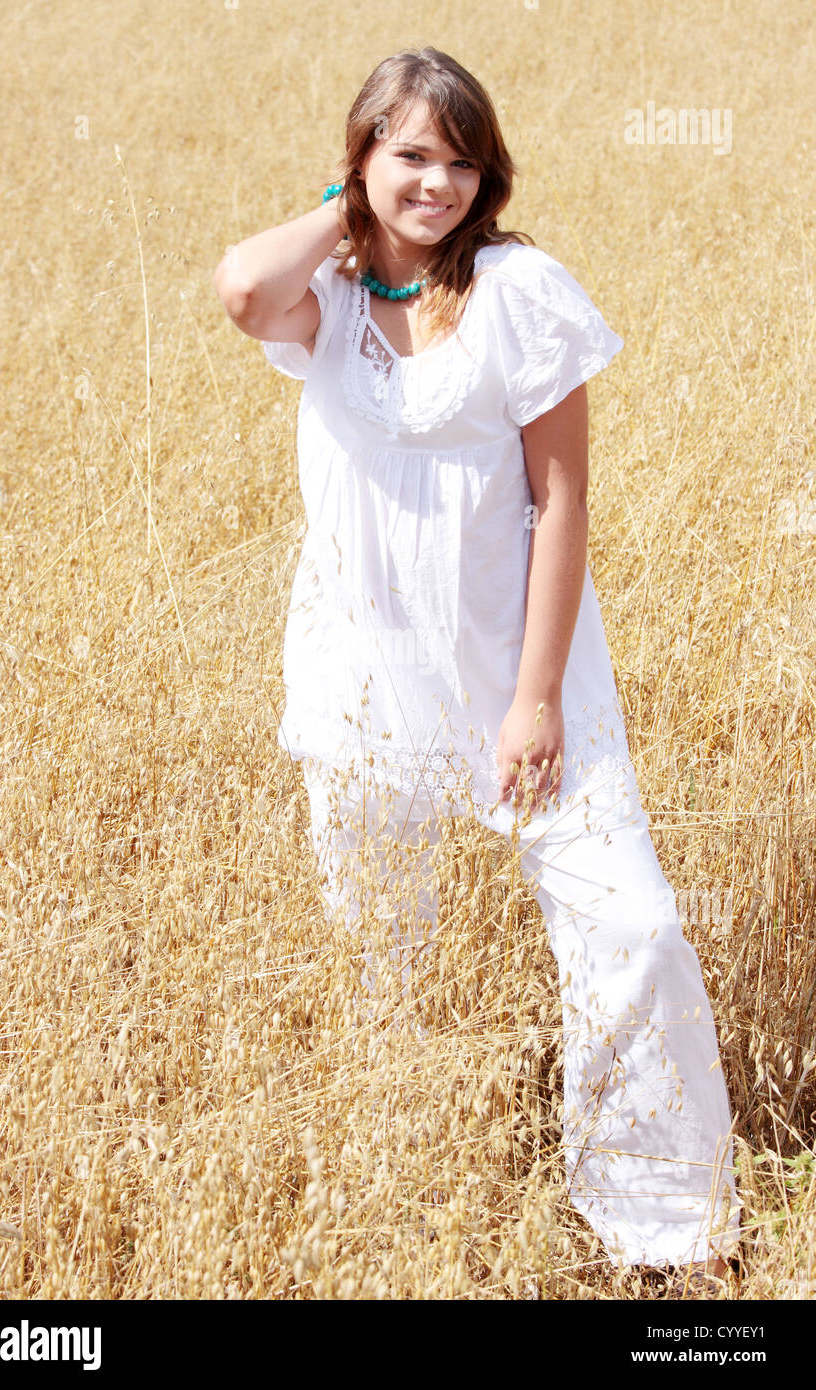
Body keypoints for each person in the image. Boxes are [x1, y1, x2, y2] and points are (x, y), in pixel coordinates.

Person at [214, 46, 742, 1289]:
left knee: (632, 925)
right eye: (407, 154)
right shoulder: (330, 304)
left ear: (486, 171)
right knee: (375, 946)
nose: (436, 182)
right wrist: (348, 217)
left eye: (458, 159)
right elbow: (241, 290)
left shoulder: (519, 291)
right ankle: (409, 1182)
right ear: (357, 161)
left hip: (523, 674)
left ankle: (657, 1225)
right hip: (363, 670)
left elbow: (560, 504)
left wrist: (534, 699)